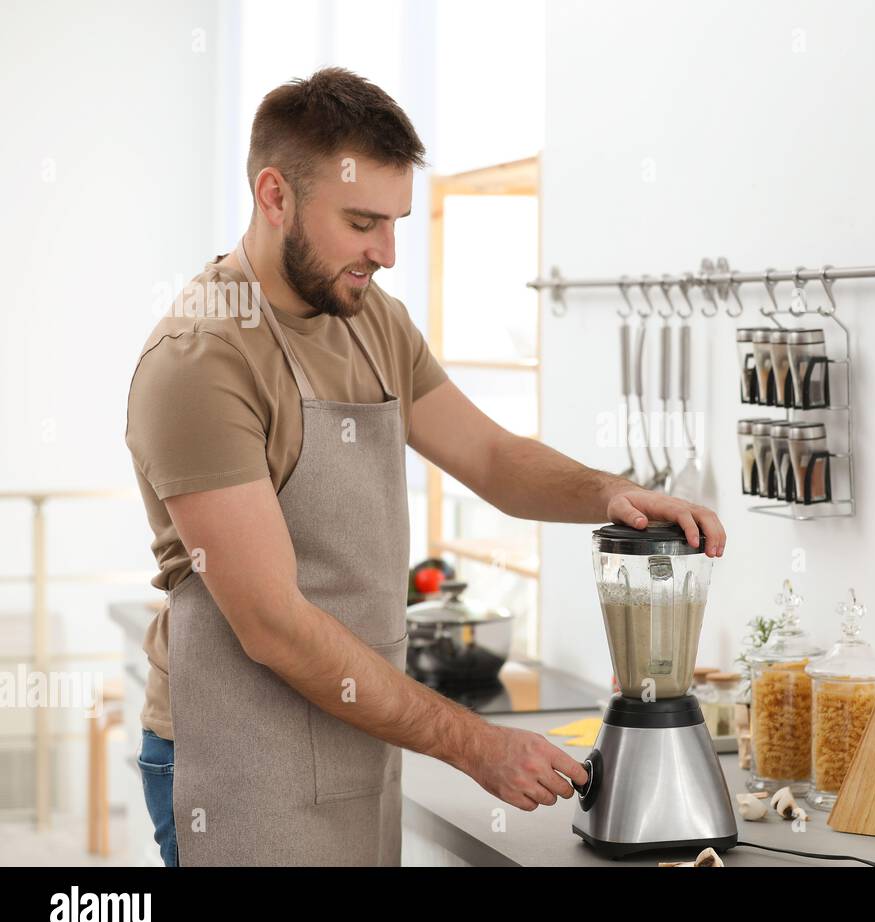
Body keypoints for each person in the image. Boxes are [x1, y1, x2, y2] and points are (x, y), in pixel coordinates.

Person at [124, 67, 725, 866]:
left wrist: (615, 493)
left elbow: (493, 458)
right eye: (363, 222)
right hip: (237, 751)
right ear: (275, 196)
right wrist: (476, 745)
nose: (387, 252)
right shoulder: (201, 360)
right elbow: (273, 625)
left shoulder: (371, 319)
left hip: (356, 735)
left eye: (396, 221)